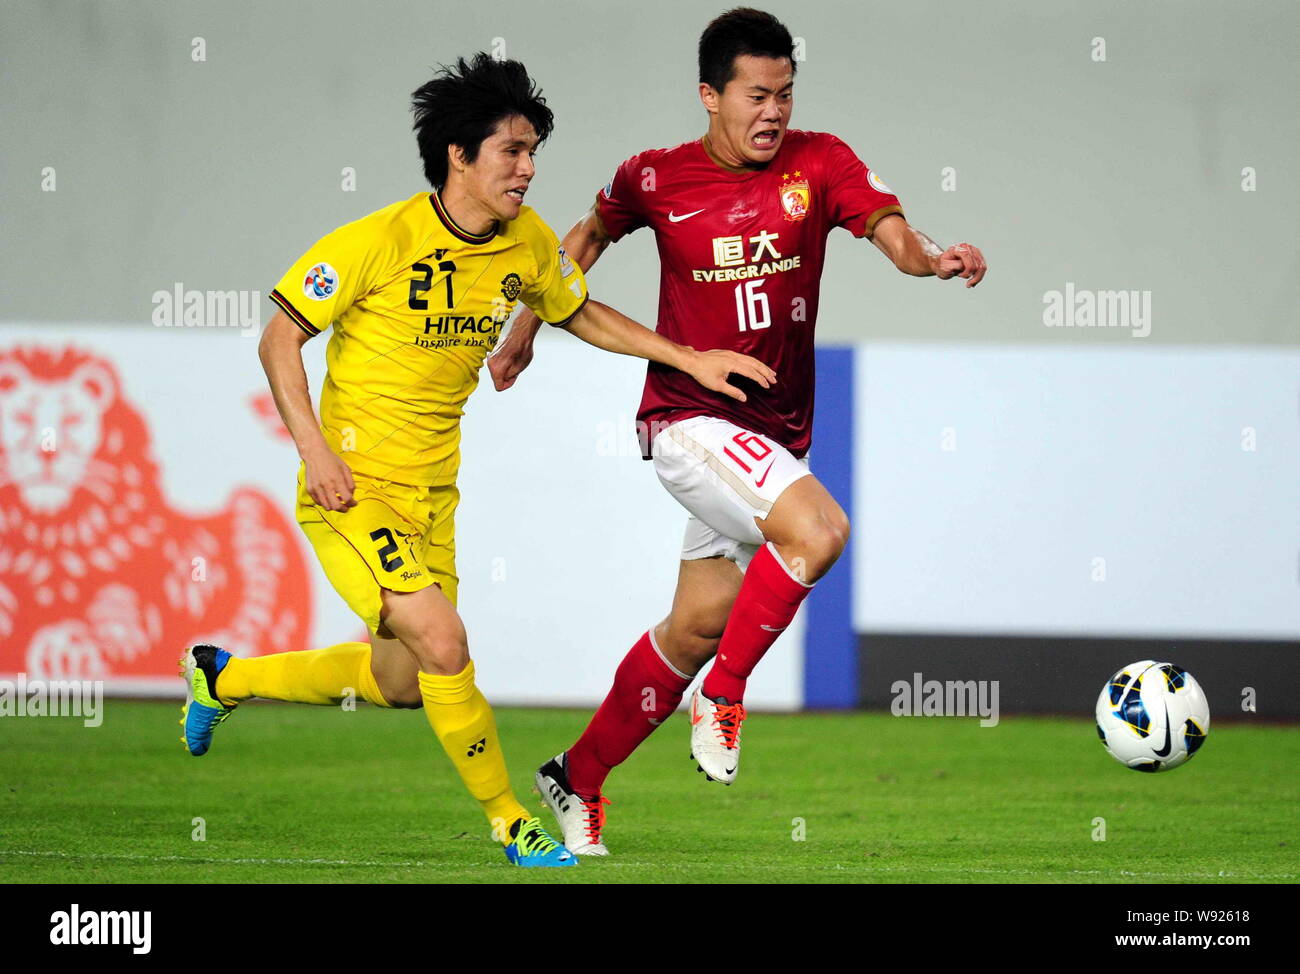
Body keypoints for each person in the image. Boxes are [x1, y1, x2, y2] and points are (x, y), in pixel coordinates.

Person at [178, 52, 774, 868]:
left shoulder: (524, 243)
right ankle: (508, 819)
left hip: (432, 497)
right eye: (513, 152)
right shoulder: (378, 241)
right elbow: (281, 334)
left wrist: (688, 357)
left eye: (533, 153)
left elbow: (576, 309)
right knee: (444, 642)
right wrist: (315, 451)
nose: (529, 170)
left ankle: (222, 679)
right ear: (459, 156)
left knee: (398, 681)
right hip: (351, 491)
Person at [490, 8, 987, 856]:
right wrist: (526, 329)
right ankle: (723, 696)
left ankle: (577, 775)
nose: (774, 113)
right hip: (688, 419)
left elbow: (889, 232)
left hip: (769, 435)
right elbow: (584, 238)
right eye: (757, 95)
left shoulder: (821, 163)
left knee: (695, 624)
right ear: (710, 96)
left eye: (786, 94)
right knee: (820, 530)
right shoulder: (654, 177)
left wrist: (932, 256)